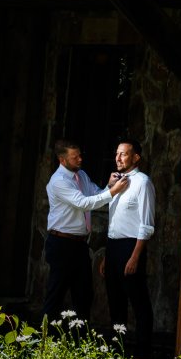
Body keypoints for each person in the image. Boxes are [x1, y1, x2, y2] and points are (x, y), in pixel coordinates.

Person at [42, 138, 125, 325]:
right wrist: (113, 192)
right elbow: (83, 203)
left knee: (84, 294)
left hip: (79, 245)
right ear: (62, 160)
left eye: (80, 155)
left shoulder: (82, 175)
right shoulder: (58, 181)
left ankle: (79, 343)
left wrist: (110, 186)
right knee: (56, 294)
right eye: (75, 157)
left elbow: (95, 194)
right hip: (61, 243)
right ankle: (44, 342)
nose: (80, 159)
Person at [102, 139, 155, 359]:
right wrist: (107, 255)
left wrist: (134, 256)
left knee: (139, 303)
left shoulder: (143, 183)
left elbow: (147, 224)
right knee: (116, 304)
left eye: (123, 154)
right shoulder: (115, 181)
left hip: (131, 247)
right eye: (117, 154)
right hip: (113, 247)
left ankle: (141, 355)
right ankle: (117, 351)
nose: (118, 158)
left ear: (135, 157)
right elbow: (113, 221)